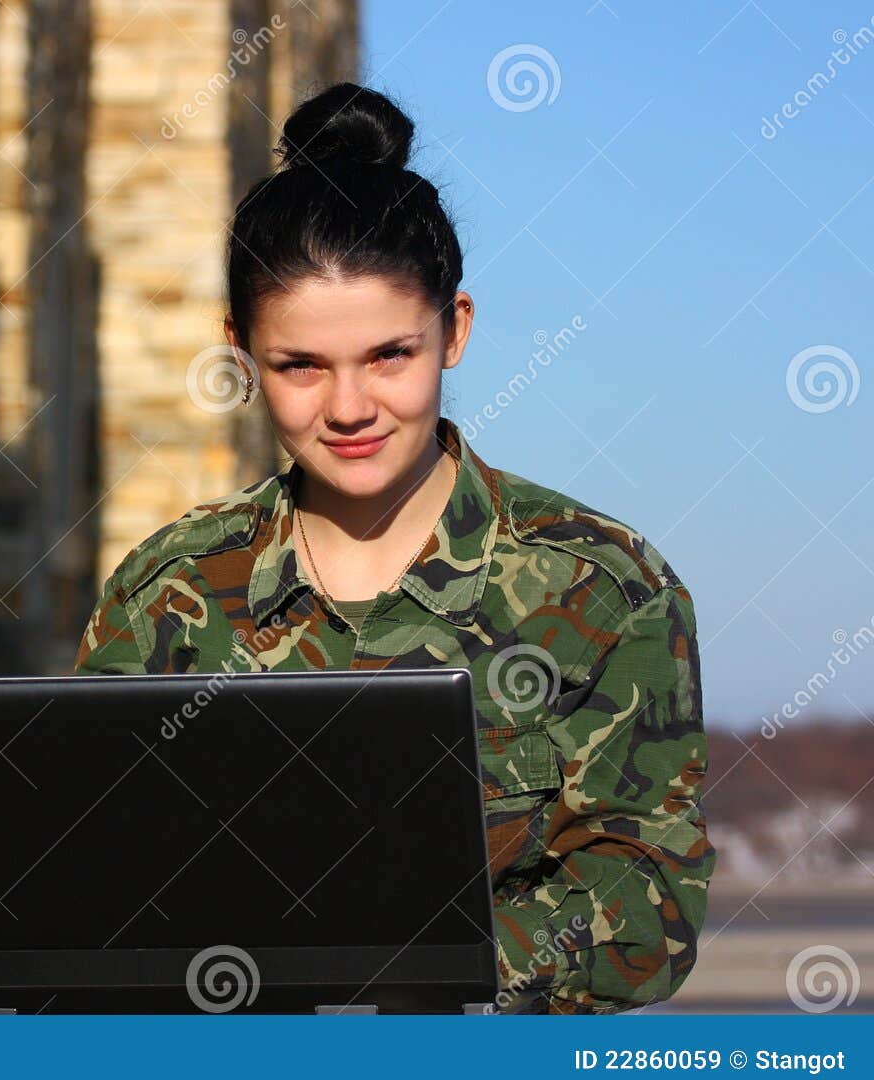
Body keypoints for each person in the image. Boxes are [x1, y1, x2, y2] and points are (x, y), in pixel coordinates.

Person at [72, 82, 715, 1014]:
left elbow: (651, 904)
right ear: (241, 354)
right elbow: (79, 879)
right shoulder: (165, 594)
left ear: (454, 330)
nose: (348, 408)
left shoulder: (607, 590)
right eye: (300, 365)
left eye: (389, 355)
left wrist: (410, 962)